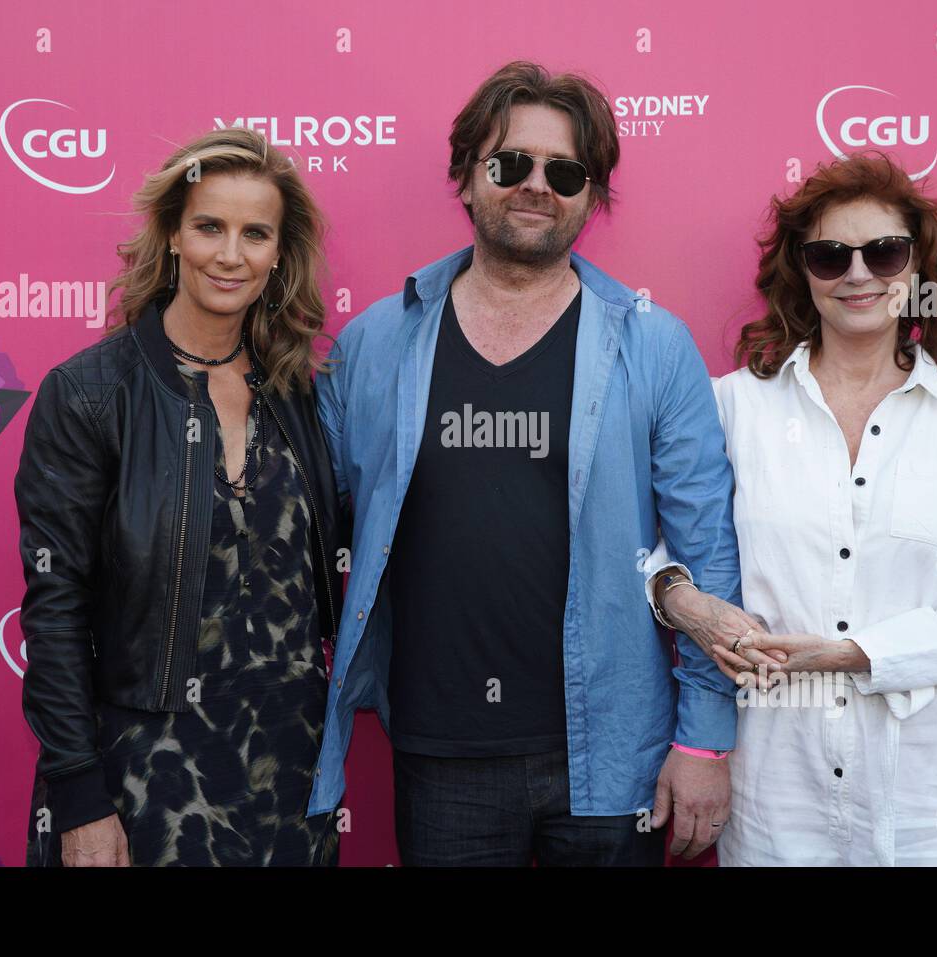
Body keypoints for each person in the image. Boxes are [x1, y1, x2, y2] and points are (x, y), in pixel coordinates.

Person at [310, 61, 741, 866]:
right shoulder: (375, 342)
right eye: (510, 164)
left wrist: (707, 740)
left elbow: (706, 549)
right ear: (467, 179)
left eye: (565, 171)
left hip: (616, 755)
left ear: (591, 196)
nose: (536, 186)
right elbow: (301, 521)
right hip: (441, 756)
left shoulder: (653, 344)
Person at [644, 153, 937, 865]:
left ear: (916, 269)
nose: (858, 274)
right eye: (830, 255)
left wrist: (855, 654)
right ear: (803, 271)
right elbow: (649, 551)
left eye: (883, 252)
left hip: (928, 802)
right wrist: (687, 604)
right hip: (774, 795)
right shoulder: (732, 407)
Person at [14, 127, 345, 866]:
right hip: (146, 772)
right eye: (209, 227)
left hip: (290, 772)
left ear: (278, 253)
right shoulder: (92, 395)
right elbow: (55, 605)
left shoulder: (299, 394)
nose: (231, 254)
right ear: (170, 236)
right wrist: (79, 796)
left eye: (255, 233)